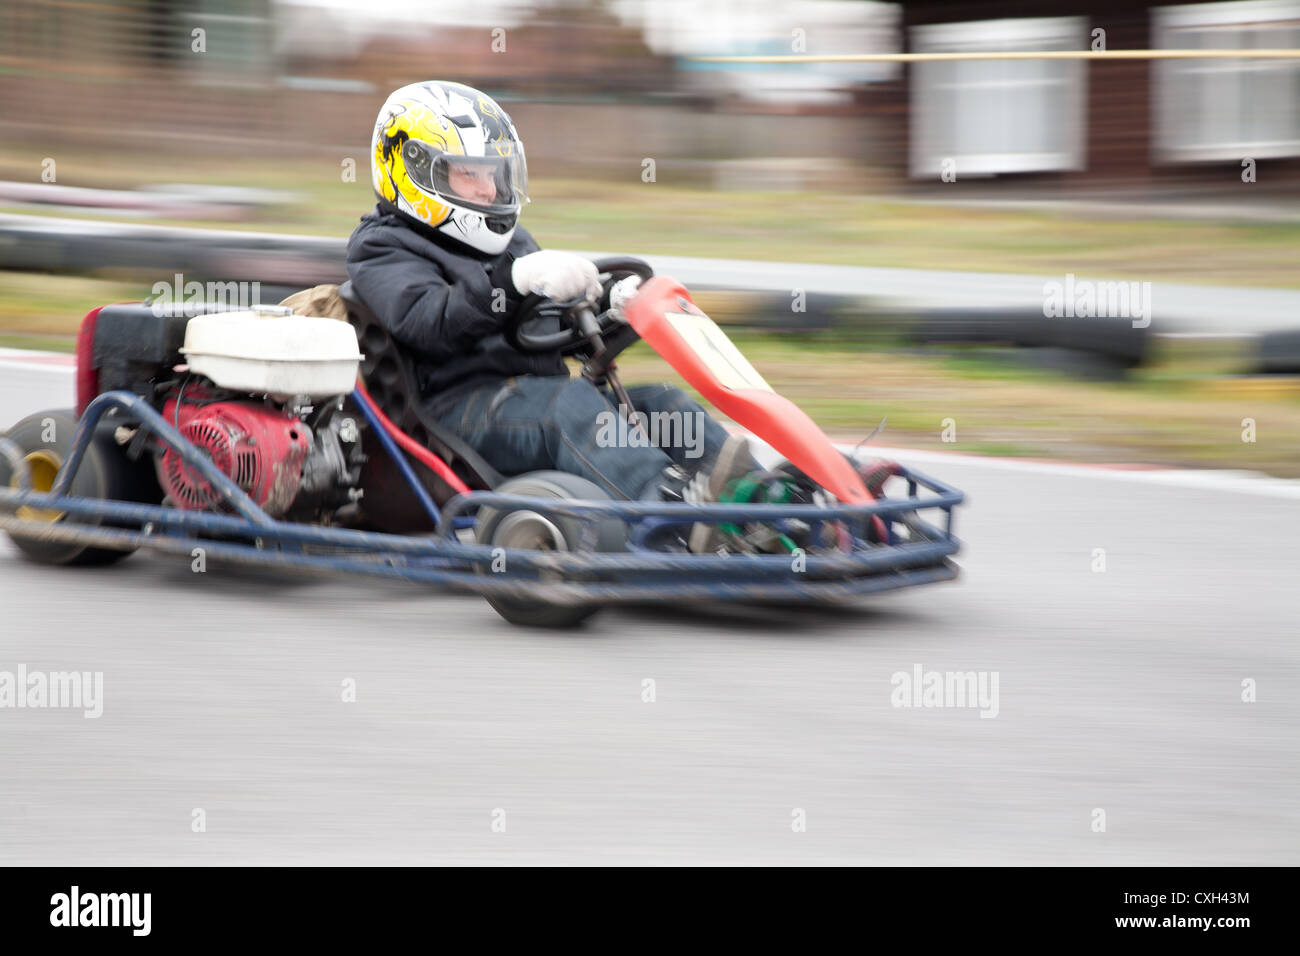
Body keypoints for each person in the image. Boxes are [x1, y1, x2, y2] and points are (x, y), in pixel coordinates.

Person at [345, 80, 759, 551]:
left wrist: (606, 306)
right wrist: (511, 281)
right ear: (414, 170)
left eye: (494, 175)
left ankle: (764, 504)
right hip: (459, 411)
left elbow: (545, 328)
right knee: (572, 407)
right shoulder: (383, 247)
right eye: (469, 175)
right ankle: (673, 520)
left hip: (534, 397)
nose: (488, 190)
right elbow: (429, 321)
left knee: (663, 403)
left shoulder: (512, 241)